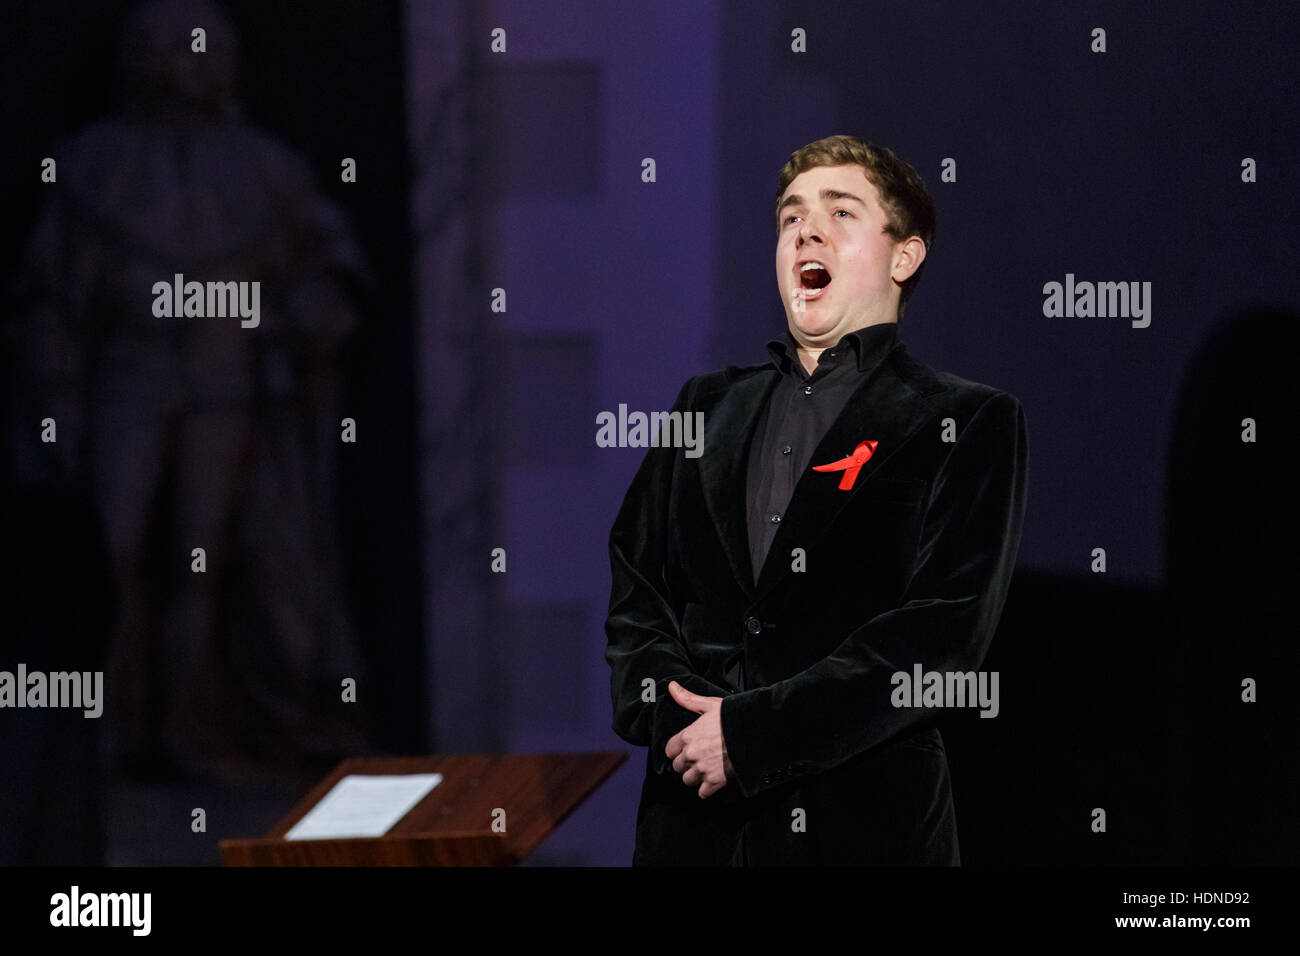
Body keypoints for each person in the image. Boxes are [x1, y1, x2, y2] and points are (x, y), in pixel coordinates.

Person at [604, 134, 1028, 865]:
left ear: (905, 256)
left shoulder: (964, 421)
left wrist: (753, 733)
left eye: (841, 212)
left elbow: (941, 637)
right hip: (693, 831)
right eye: (791, 216)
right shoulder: (702, 409)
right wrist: (681, 721)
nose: (808, 228)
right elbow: (636, 597)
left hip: (863, 828)